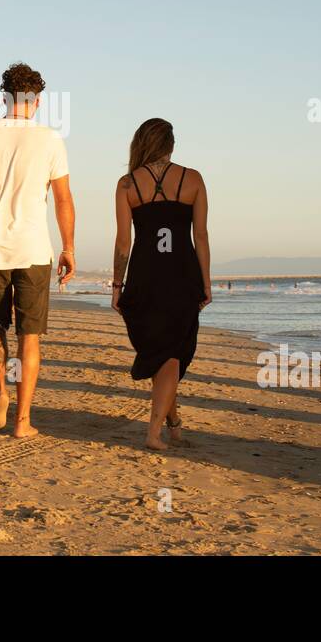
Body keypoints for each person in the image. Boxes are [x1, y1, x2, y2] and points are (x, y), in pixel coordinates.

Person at [0, 62, 75, 439]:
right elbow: (63, 199)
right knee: (30, 336)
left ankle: (0, 394)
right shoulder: (51, 139)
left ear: (4, 98)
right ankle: (23, 421)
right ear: (36, 101)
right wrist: (68, 247)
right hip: (34, 249)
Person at [112, 118, 211, 450]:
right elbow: (201, 236)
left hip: (145, 277)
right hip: (181, 275)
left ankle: (174, 425)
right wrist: (206, 283)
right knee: (170, 354)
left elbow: (124, 242)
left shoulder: (128, 185)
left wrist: (117, 286)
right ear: (170, 145)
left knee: (161, 351)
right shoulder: (192, 179)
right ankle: (154, 433)